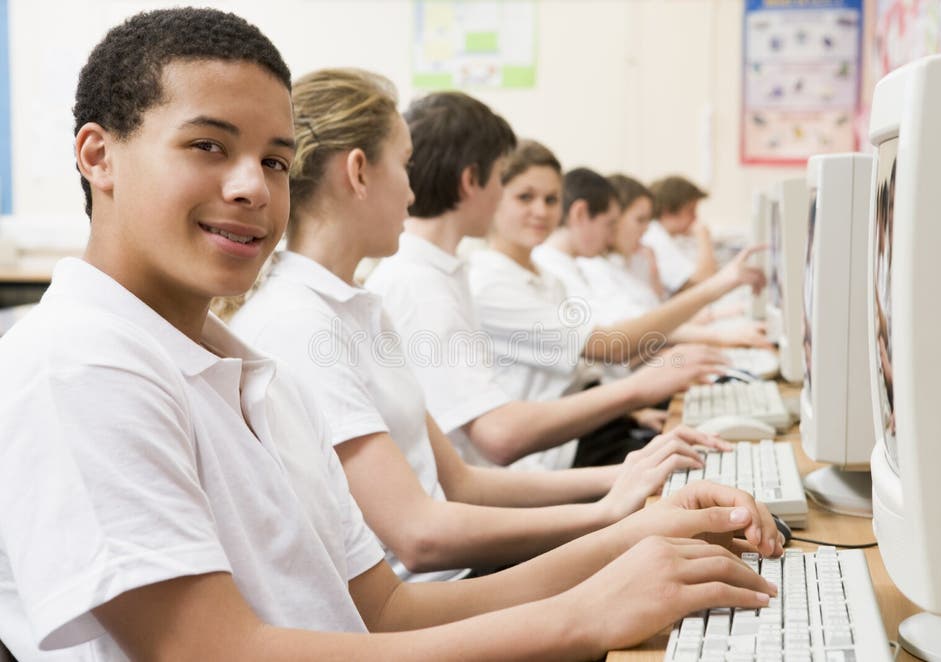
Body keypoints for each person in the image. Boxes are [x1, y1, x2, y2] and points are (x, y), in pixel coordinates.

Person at [0, 9, 780, 660]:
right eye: (208, 146)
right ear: (97, 156)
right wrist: (586, 610)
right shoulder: (80, 365)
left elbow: (385, 611)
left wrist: (635, 538)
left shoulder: (247, 369)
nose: (250, 186)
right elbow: (224, 652)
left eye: (275, 160)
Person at [230, 67, 736, 582]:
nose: (412, 190)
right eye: (406, 166)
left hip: (456, 569)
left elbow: (464, 483)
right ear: (359, 171)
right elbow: (420, 536)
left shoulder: (361, 307)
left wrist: (624, 479)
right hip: (434, 593)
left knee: (693, 556)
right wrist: (607, 515)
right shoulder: (302, 322)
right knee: (684, 570)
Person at [367, 95, 725, 471]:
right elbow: (498, 440)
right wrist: (636, 392)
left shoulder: (446, 274)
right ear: (473, 180)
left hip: (509, 474)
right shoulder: (427, 285)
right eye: (511, 186)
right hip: (524, 471)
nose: (408, 189)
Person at [536, 169, 772, 351]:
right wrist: (718, 331)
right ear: (580, 214)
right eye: (611, 223)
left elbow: (645, 322)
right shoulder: (577, 267)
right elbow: (622, 338)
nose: (646, 230)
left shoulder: (582, 265)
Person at [642, 174, 719, 295]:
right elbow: (703, 281)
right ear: (667, 211)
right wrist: (703, 235)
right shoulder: (655, 238)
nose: (695, 217)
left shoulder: (674, 237)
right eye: (690, 211)